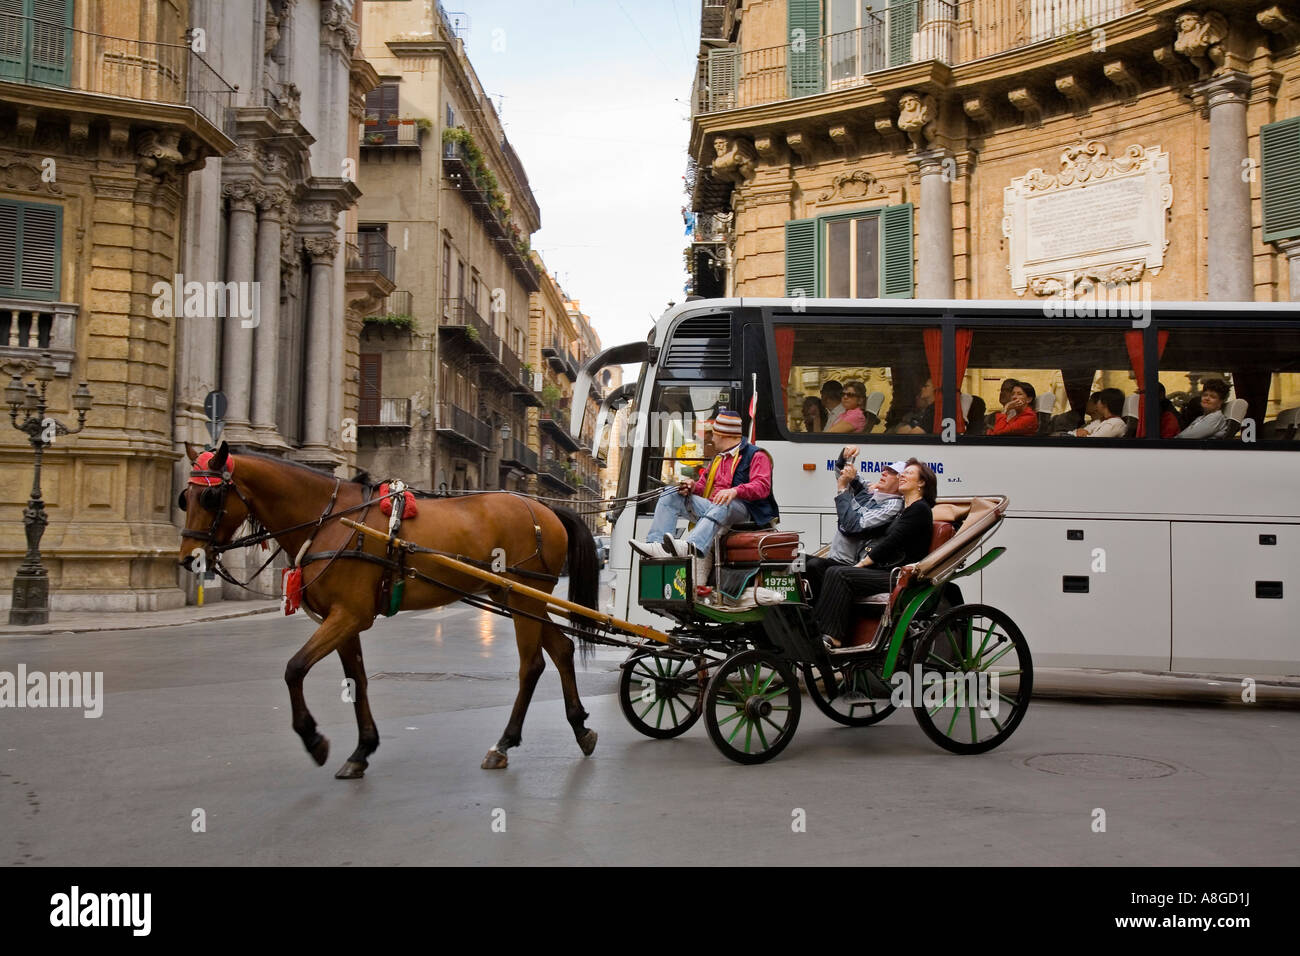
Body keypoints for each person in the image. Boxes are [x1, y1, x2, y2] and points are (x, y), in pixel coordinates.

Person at [813, 459, 937, 648]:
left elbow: (891, 542)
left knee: (839, 574)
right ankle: (815, 627)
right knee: (821, 567)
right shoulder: (906, 509)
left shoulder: (919, 509)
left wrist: (862, 563)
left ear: (921, 483)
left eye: (909, 473)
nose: (902, 475)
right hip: (886, 570)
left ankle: (833, 635)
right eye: (903, 473)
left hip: (899, 575)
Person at [631, 408, 778, 561]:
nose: (712, 439)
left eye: (714, 434)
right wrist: (692, 486)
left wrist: (734, 491)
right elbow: (702, 487)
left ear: (723, 435)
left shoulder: (757, 455)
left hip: (746, 512)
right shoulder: (718, 459)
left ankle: (691, 545)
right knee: (670, 493)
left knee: (722, 501)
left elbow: (762, 487)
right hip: (717, 508)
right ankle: (658, 544)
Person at [804, 453, 905, 598]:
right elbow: (843, 473)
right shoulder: (871, 491)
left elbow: (852, 525)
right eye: (885, 469)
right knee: (792, 561)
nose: (884, 472)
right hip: (835, 559)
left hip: (848, 564)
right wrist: (846, 456)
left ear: (901, 482)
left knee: (814, 566)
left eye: (892, 472)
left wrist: (842, 490)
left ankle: (813, 614)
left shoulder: (893, 504)